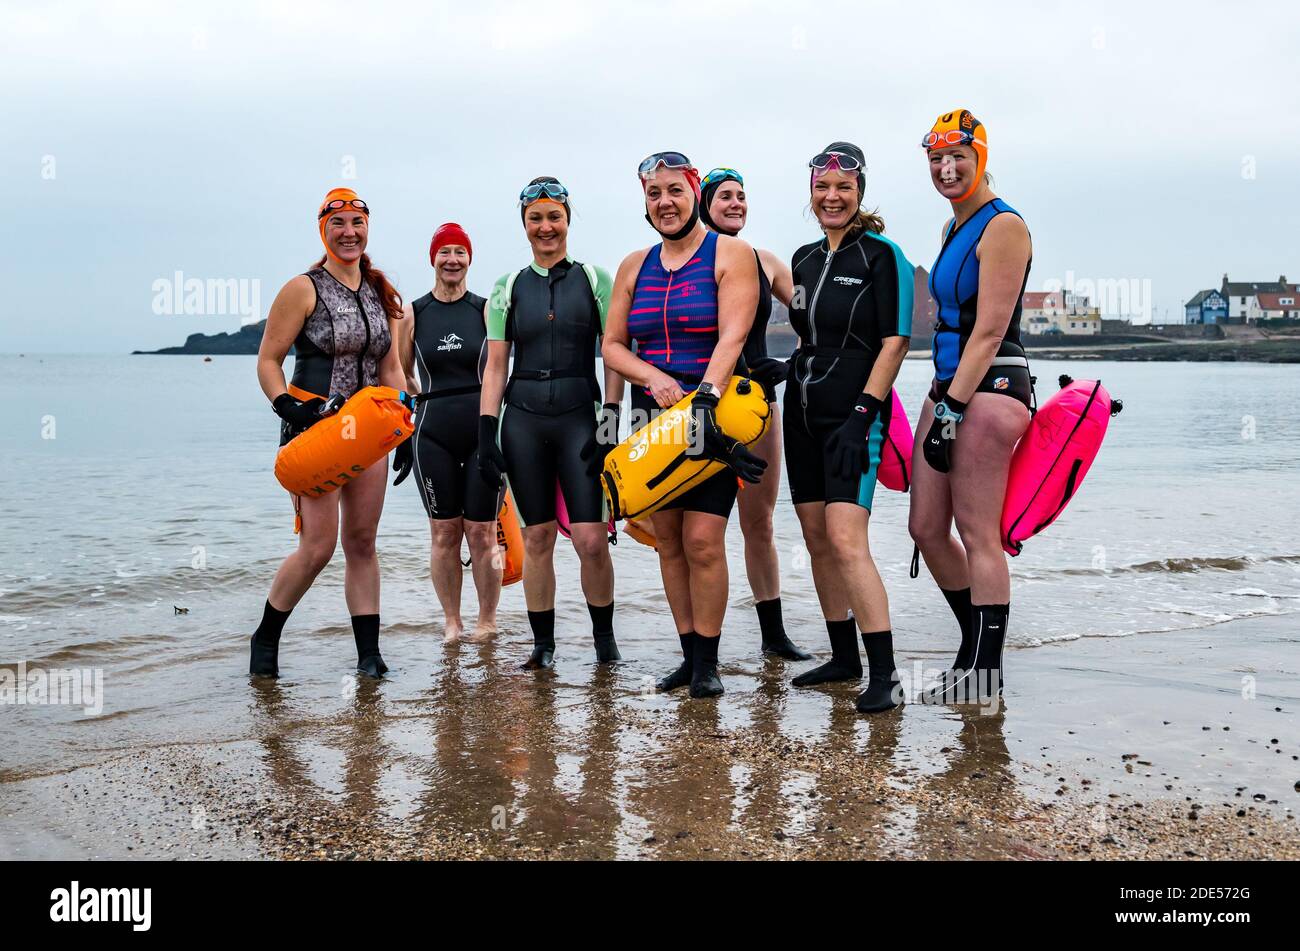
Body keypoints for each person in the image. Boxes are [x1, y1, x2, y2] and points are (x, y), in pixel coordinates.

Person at [603, 151, 768, 699]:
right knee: (668, 540)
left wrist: (703, 398)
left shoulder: (731, 254)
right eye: (654, 194)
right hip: (655, 412)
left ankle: (709, 663)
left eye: (674, 191)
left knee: (703, 540)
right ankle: (687, 652)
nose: (665, 203)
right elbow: (611, 347)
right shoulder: (634, 265)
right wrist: (652, 378)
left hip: (709, 410)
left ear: (693, 192)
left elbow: (733, 336)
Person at [250, 187, 407, 678]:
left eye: (356, 223)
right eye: (337, 224)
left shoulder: (380, 291)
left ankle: (369, 656)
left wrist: (403, 426)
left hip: (369, 434)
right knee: (318, 547)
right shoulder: (304, 288)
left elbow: (392, 367)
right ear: (324, 230)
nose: (348, 232)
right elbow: (268, 361)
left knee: (362, 542)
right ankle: (266, 637)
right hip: (315, 432)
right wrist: (287, 407)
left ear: (367, 229)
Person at [909, 110, 1034, 704]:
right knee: (926, 529)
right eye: (936, 159)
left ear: (981, 156)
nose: (947, 168)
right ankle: (971, 648)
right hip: (948, 388)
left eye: (957, 156)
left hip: (992, 390)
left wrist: (954, 408)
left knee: (978, 533)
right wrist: (943, 402)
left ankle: (984, 674)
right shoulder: (949, 230)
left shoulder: (1003, 226)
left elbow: (987, 334)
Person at [784, 142, 913, 714]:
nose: (831, 197)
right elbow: (807, 335)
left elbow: (896, 341)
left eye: (843, 188)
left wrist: (863, 414)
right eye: (822, 187)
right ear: (811, 193)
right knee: (815, 538)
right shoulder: (804, 258)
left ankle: (885, 675)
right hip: (801, 413)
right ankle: (843, 657)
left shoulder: (882, 256)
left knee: (845, 539)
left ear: (859, 192)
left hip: (854, 415)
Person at [477, 177, 623, 669]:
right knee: (536, 538)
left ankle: (605, 643)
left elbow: (615, 354)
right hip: (522, 419)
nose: (546, 227)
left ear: (567, 220)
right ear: (524, 225)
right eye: (535, 218)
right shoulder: (507, 288)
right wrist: (485, 429)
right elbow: (496, 366)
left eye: (554, 217)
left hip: (581, 415)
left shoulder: (596, 280)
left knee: (590, 538)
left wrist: (611, 419)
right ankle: (544, 647)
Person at [698, 167, 810, 662]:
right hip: (699, 407)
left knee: (758, 522)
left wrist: (798, 363)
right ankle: (701, 646)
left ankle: (773, 634)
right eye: (725, 197)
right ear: (704, 204)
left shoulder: (766, 262)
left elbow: (815, 312)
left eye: (742, 196)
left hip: (758, 404)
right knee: (700, 530)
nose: (736, 204)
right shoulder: (687, 262)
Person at [393, 222, 500, 644]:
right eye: (444, 252)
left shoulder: (486, 309)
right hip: (431, 431)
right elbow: (401, 375)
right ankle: (452, 622)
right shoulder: (413, 312)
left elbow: (500, 369)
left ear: (469, 259)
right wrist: (402, 430)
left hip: (481, 428)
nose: (452, 260)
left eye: (460, 252)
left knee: (483, 532)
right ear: (432, 259)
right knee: (444, 531)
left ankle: (487, 620)